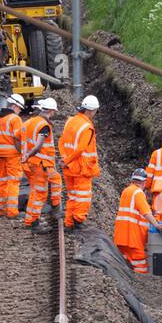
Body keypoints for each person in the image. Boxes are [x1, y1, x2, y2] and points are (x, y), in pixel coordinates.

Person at [58, 95, 101, 229]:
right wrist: (68, 160)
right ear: (90, 111)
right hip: (81, 168)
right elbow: (81, 149)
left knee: (72, 196)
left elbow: (61, 142)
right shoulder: (87, 127)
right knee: (82, 196)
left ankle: (69, 222)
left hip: (69, 167)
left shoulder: (70, 121)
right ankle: (78, 221)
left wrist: (65, 159)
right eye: (95, 111)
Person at [21, 97, 62, 228]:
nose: (54, 114)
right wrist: (28, 154)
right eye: (53, 111)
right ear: (50, 110)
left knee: (38, 190)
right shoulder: (44, 126)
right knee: (41, 192)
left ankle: (33, 219)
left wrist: (25, 155)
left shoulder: (32, 122)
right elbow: (38, 145)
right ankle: (35, 221)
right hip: (40, 163)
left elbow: (18, 136)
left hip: (34, 163)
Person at [114, 168, 154, 274]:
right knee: (141, 266)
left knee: (125, 264)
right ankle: (140, 286)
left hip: (121, 236)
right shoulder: (138, 193)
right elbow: (146, 212)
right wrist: (157, 226)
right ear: (144, 182)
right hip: (132, 238)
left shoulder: (126, 191)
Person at [0, 93, 25, 220]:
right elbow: (18, 138)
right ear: (15, 106)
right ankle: (12, 211)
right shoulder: (15, 119)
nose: (20, 111)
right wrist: (23, 152)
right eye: (20, 108)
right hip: (12, 156)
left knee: (1, 182)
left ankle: (2, 209)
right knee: (13, 182)